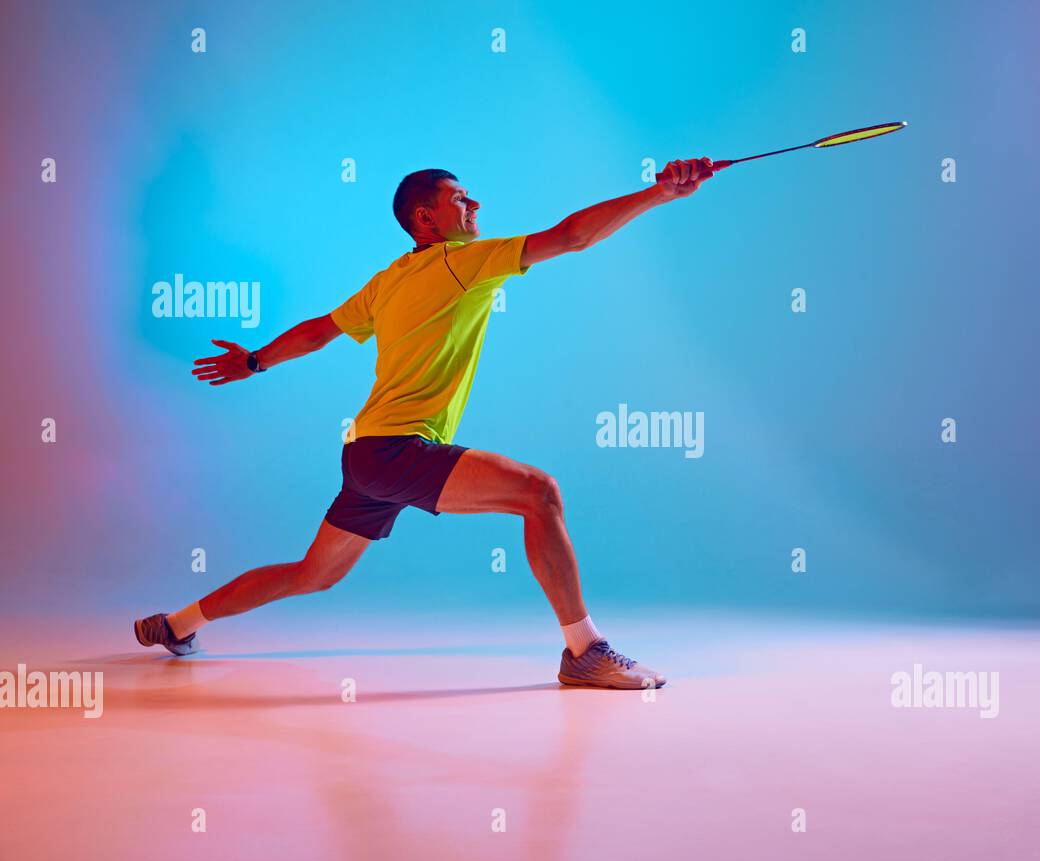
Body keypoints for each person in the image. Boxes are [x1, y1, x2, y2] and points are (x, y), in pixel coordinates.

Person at [133, 157, 716, 690]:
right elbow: (571, 236)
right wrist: (661, 192)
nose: (475, 206)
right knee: (539, 494)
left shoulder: (390, 279)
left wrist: (256, 360)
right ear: (426, 218)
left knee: (313, 574)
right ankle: (584, 652)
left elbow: (320, 329)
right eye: (461, 198)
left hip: (366, 453)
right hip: (393, 450)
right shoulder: (463, 261)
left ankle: (176, 624)